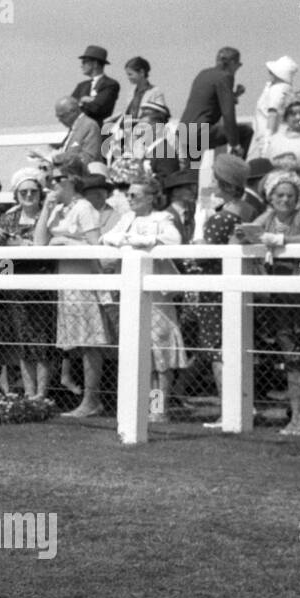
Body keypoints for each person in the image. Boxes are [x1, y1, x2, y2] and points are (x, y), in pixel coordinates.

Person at [241, 171, 300, 435]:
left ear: (298, 197)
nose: (285, 200)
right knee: (291, 356)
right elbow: (246, 233)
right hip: (280, 294)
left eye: (290, 195)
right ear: (271, 197)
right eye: (279, 195)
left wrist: (281, 239)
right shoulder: (269, 217)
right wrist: (255, 235)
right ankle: (295, 415)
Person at [100, 177, 187, 422]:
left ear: (150, 197)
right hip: (131, 294)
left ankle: (159, 407)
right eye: (129, 195)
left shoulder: (162, 219)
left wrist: (142, 241)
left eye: (135, 195)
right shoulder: (127, 220)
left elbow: (173, 239)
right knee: (142, 353)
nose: (130, 200)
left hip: (157, 297)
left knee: (161, 354)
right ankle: (146, 404)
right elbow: (107, 238)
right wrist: (128, 241)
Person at [35, 161, 109, 418]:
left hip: (84, 281)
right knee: (78, 342)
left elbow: (95, 246)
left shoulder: (84, 208)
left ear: (73, 180)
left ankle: (92, 400)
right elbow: (39, 243)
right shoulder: (58, 210)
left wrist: (65, 240)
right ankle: (86, 398)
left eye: (58, 179)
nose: (53, 183)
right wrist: (46, 208)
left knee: (90, 343)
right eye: (51, 179)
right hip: (65, 282)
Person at [193, 155, 250, 429]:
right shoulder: (245, 210)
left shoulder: (222, 217)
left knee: (217, 349)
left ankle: (228, 409)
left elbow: (204, 256)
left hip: (214, 290)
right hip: (230, 287)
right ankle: (237, 405)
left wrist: (195, 249)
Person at [0, 168, 57, 399]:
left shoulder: (48, 214)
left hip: (41, 282)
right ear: (17, 194)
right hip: (16, 285)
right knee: (22, 340)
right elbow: (2, 255)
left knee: (41, 342)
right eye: (24, 191)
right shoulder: (9, 217)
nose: (29, 195)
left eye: (33, 191)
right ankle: (29, 391)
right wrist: (6, 279)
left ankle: (40, 394)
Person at [179, 46, 249, 161]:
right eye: (237, 65)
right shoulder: (225, 77)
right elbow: (228, 113)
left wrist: (234, 95)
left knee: (192, 172)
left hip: (184, 131)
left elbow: (208, 101)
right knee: (246, 132)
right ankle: (237, 171)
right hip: (200, 132)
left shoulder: (204, 73)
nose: (237, 69)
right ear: (232, 63)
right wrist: (235, 143)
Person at [249, 56, 300, 161]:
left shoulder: (278, 89)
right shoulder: (282, 88)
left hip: (267, 136)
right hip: (271, 136)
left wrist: (267, 139)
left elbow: (273, 112)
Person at [264, 99, 300, 173]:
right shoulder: (274, 140)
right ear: (285, 117)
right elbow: (265, 166)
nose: (298, 117)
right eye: (293, 114)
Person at [72, 45, 121, 125]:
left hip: (99, 132)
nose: (81, 66)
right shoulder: (81, 86)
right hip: (79, 130)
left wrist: (80, 103)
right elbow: (69, 107)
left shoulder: (111, 84)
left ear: (95, 64)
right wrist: (82, 100)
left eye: (84, 62)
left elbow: (97, 108)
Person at [51, 97, 103, 167]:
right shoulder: (75, 128)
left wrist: (60, 157)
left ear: (73, 112)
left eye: (62, 116)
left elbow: (90, 158)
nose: (59, 120)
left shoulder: (89, 125)